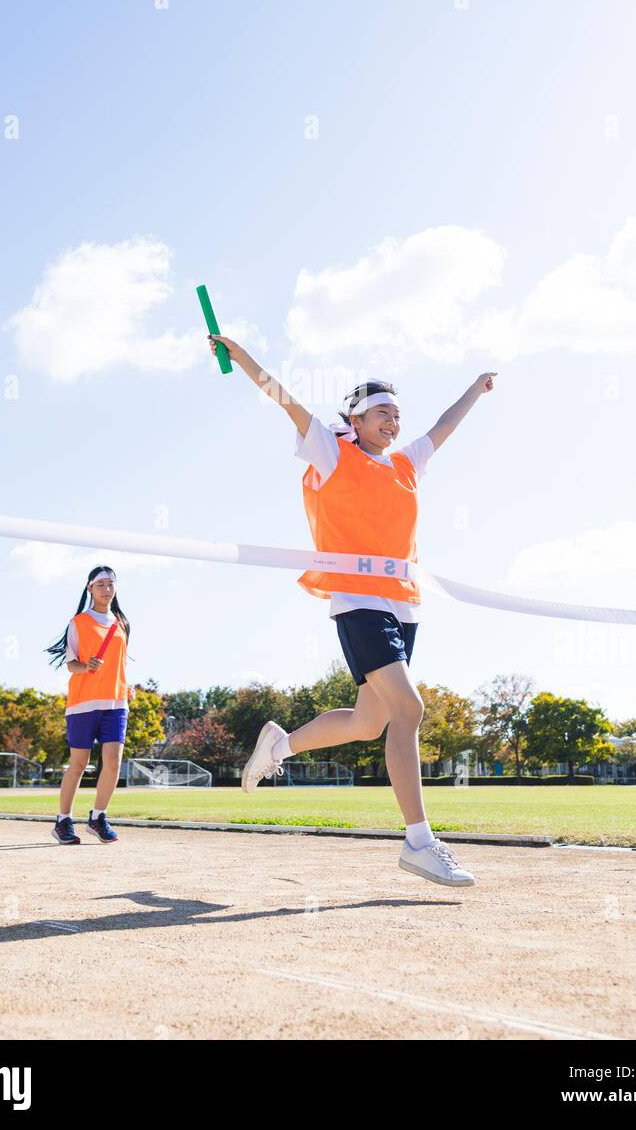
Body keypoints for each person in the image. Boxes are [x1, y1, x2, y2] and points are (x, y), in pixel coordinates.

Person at [207, 332, 496, 888]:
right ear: (357, 420)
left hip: (404, 605)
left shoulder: (407, 463)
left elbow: (444, 426)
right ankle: (418, 843)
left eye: (396, 414)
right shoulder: (331, 450)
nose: (393, 421)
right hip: (358, 601)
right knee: (409, 712)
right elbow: (284, 399)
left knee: (370, 723)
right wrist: (242, 357)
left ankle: (279, 744)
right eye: (382, 413)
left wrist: (476, 390)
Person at [45, 566, 131, 844]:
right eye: (101, 584)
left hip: (116, 701)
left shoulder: (122, 623)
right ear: (90, 588)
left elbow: (120, 663)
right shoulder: (78, 622)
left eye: (111, 584)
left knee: (113, 761)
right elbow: (71, 664)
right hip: (83, 702)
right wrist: (86, 666)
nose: (107, 589)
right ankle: (63, 821)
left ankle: (98, 817)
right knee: (78, 764)